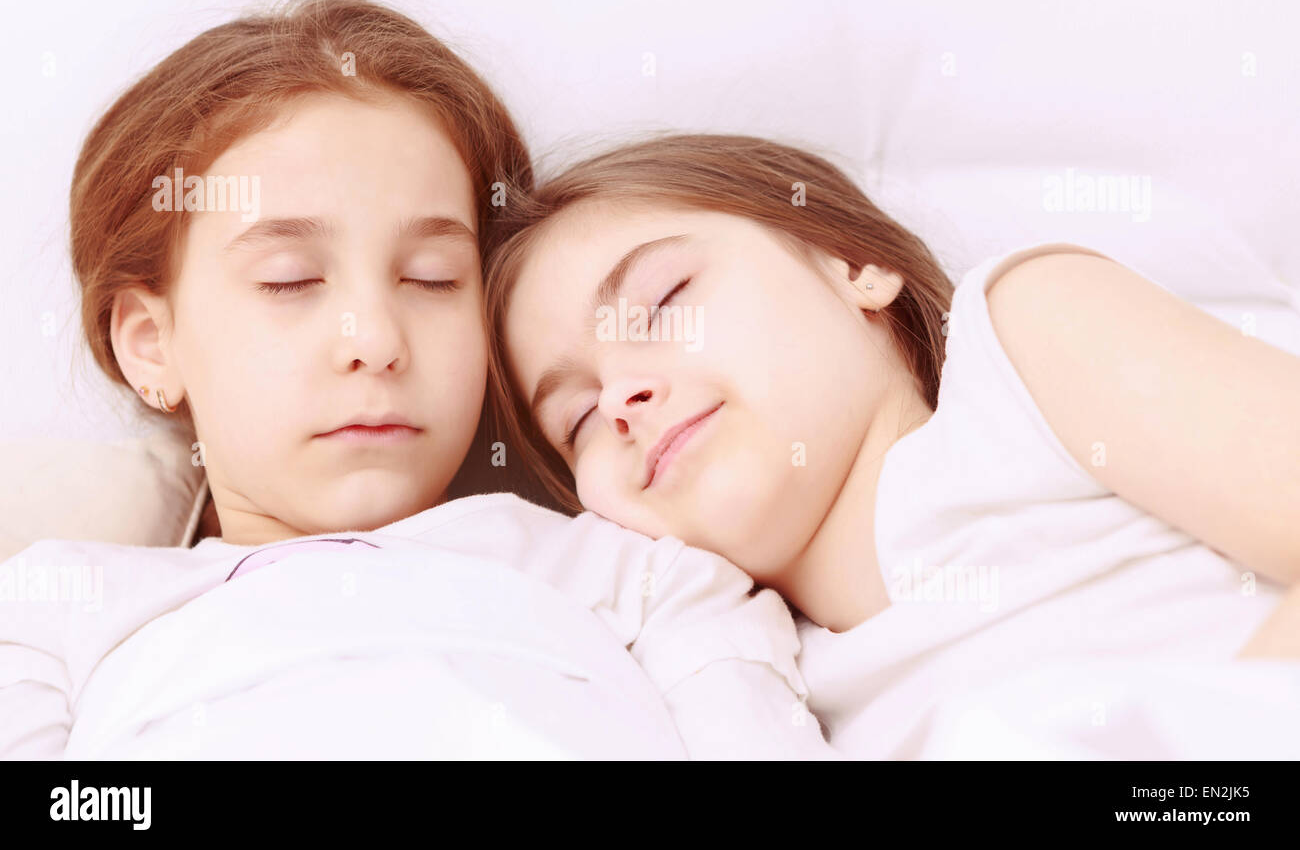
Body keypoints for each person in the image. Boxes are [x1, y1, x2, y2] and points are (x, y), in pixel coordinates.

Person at [0, 0, 836, 760]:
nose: (376, 343)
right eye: (291, 280)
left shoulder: (637, 576)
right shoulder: (53, 613)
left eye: (433, 278)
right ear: (152, 343)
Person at [485, 132, 1300, 757]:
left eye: (664, 301)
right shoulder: (748, 694)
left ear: (856, 264)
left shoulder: (1024, 351)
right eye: (578, 420)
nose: (622, 399)